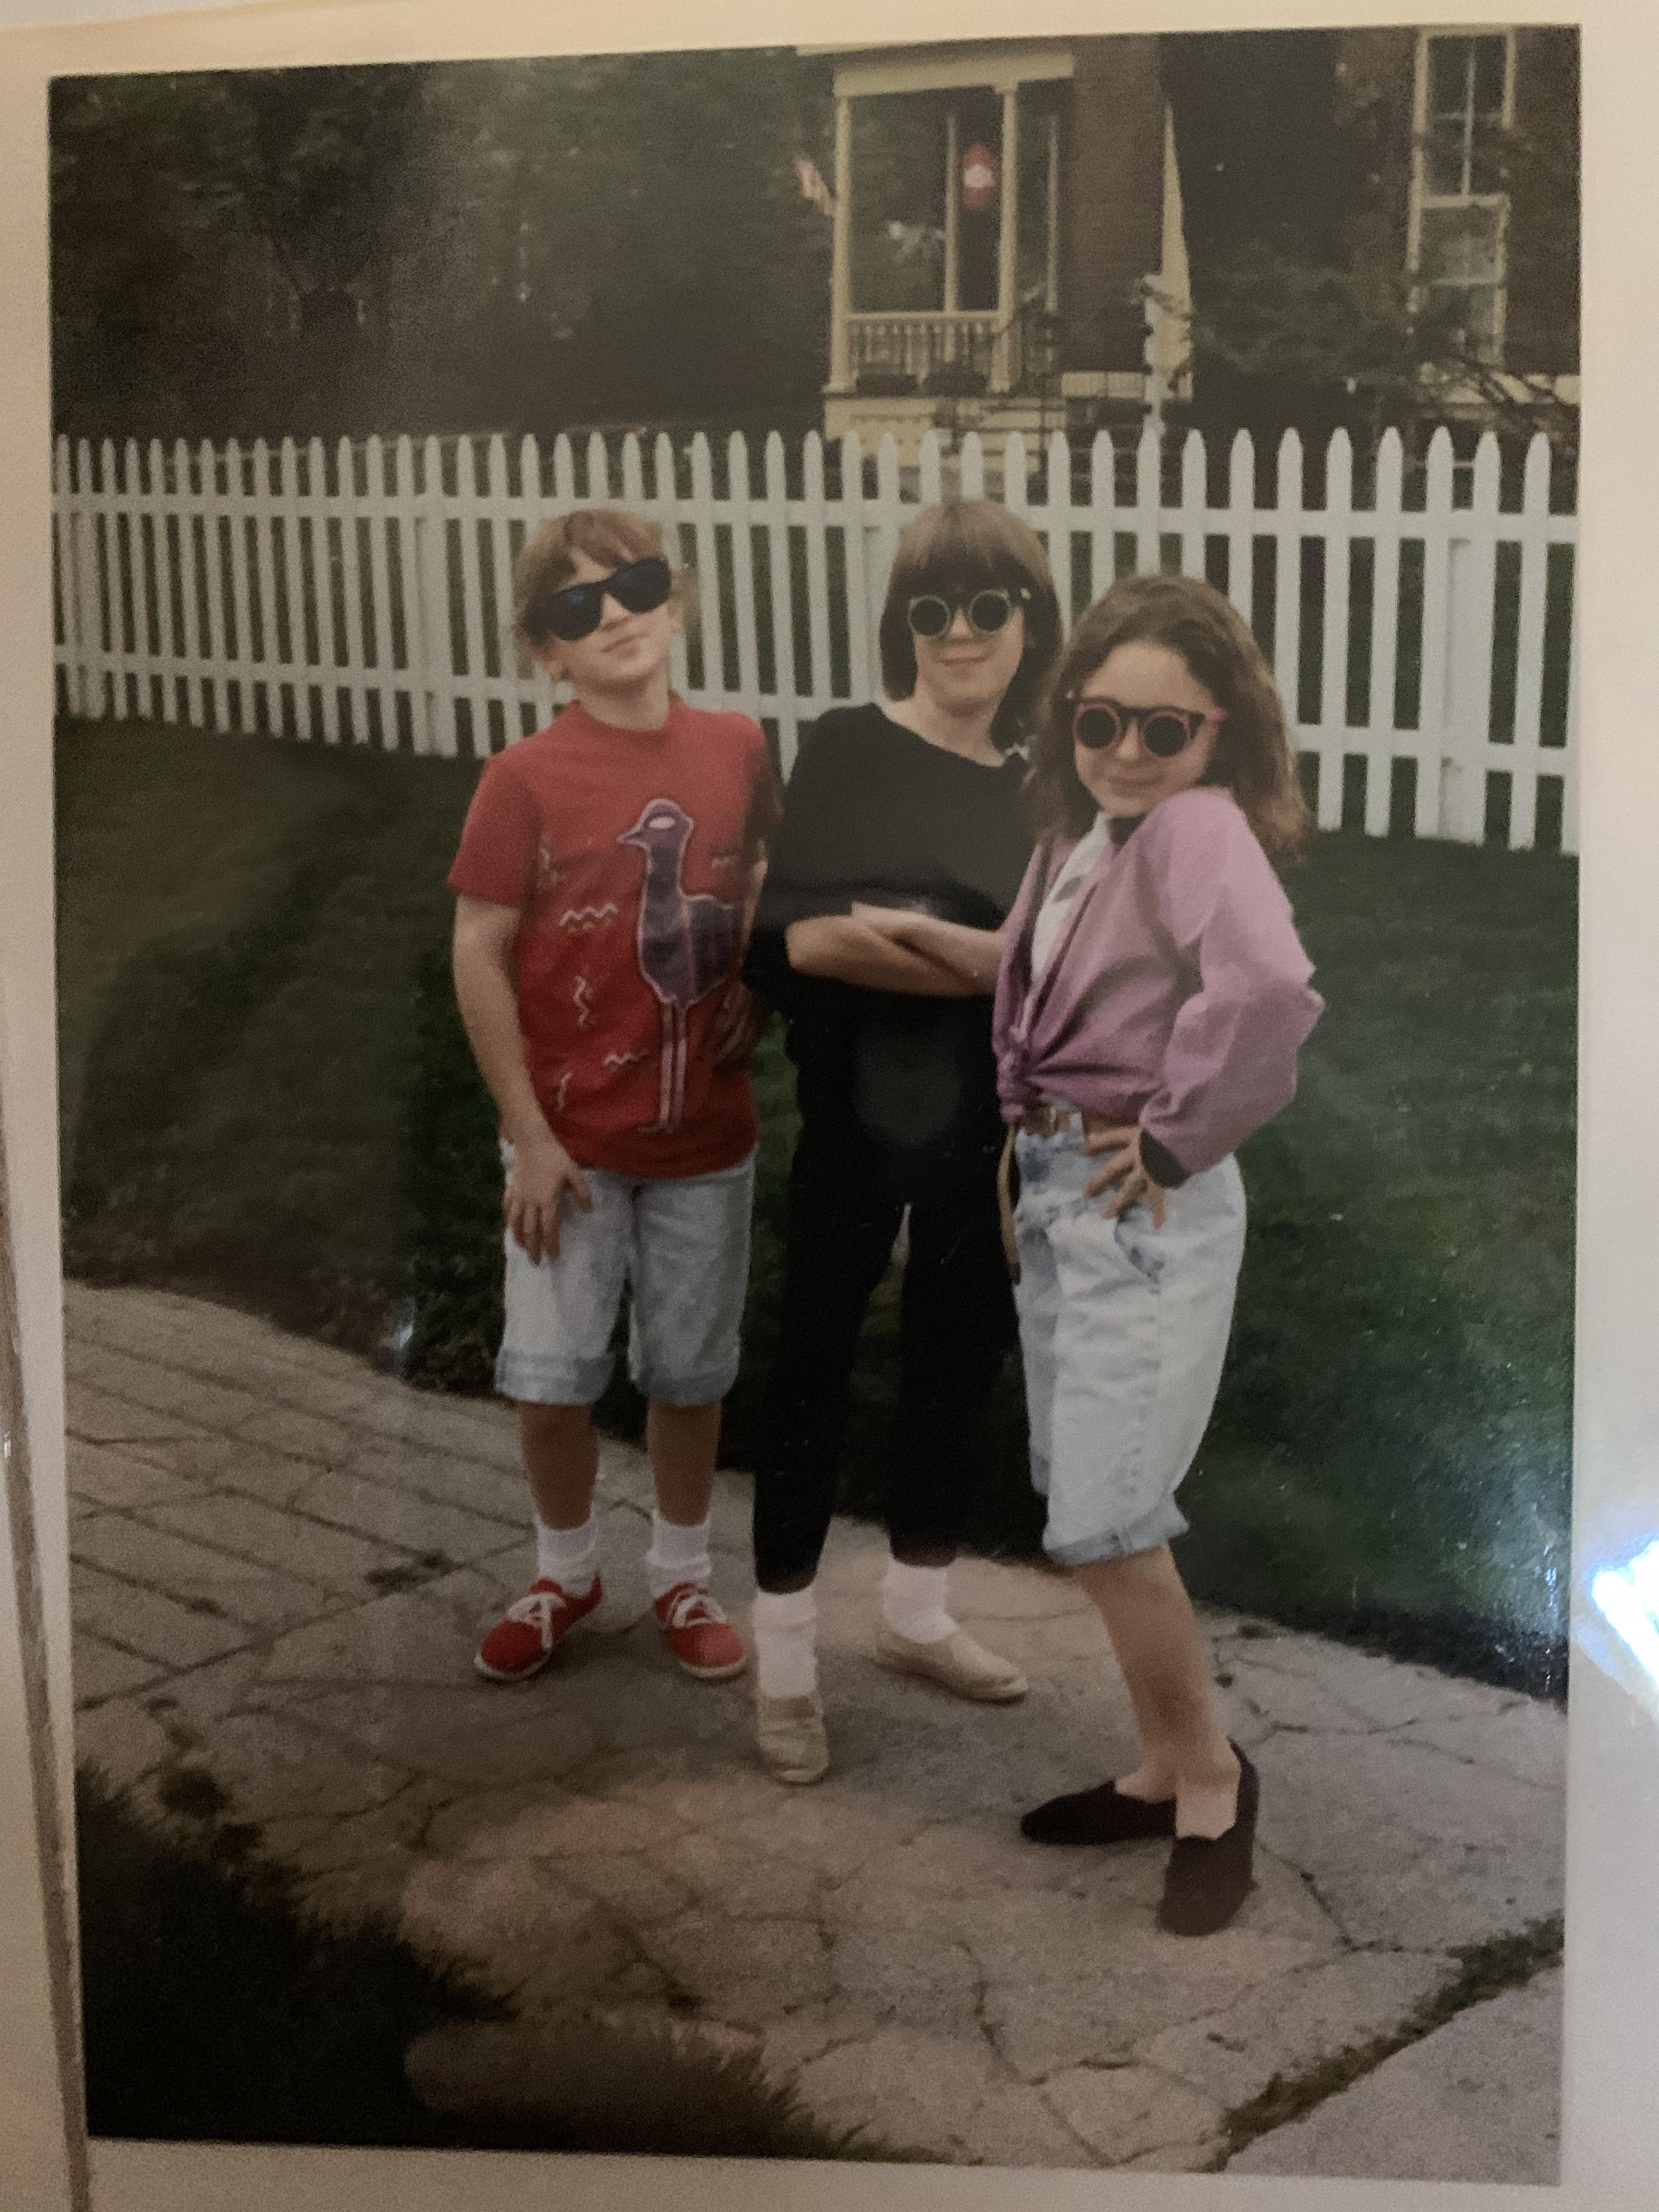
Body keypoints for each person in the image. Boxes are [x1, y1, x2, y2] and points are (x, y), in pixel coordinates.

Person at [992, 570, 1323, 1936]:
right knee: (1086, 1500)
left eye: (1164, 729)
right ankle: (1159, 1762)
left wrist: (1178, 1138)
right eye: (1098, 720)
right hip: (1065, 1190)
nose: (1127, 751)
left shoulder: (1193, 832)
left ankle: (1208, 1783)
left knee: (1110, 1518)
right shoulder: (1086, 839)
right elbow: (1056, 983)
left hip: (1139, 1200)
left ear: (1222, 737)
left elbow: (1269, 991)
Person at [742, 501, 1064, 1785]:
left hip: (983, 1134)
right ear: (902, 628)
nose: (961, 633)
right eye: (932, 610)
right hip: (851, 1122)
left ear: (1029, 623)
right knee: (813, 1365)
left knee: (953, 1357)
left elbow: (1050, 971)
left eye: (990, 606)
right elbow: (805, 941)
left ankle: (919, 1617)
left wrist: (915, 931)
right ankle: (783, 1665)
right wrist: (990, 960)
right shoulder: (847, 748)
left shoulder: (1042, 787)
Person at [447, 508, 780, 1690]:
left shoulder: (741, 746)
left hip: (706, 1139)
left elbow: (763, 887)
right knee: (553, 1378)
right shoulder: (523, 778)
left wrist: (766, 984)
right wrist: (528, 1138)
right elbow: (478, 950)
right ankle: (565, 1569)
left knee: (690, 1373)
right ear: (550, 651)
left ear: (675, 601)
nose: (618, 615)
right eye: (580, 607)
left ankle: (682, 1573)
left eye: (635, 584)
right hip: (570, 1147)